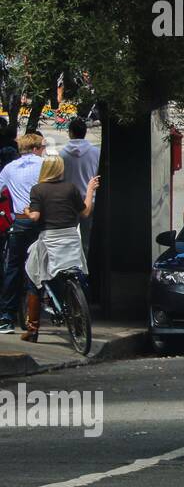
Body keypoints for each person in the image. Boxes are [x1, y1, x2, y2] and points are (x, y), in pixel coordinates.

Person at [22, 156, 99, 342]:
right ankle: (80, 321)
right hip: (72, 239)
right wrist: (90, 190)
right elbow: (85, 211)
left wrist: (26, 211)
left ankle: (32, 329)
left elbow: (35, 216)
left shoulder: (38, 190)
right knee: (75, 276)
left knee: (33, 277)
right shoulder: (70, 188)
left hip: (49, 241)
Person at [0, 133, 47, 333]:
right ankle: (45, 308)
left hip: (20, 221)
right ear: (36, 148)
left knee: (14, 267)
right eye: (43, 147)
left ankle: (6, 318)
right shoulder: (44, 164)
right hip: (42, 221)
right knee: (45, 264)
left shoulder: (9, 168)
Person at [59, 116, 100, 260]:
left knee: (67, 239)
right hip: (91, 201)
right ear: (85, 132)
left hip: (68, 202)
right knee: (87, 240)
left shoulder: (62, 154)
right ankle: (86, 270)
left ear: (70, 132)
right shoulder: (96, 152)